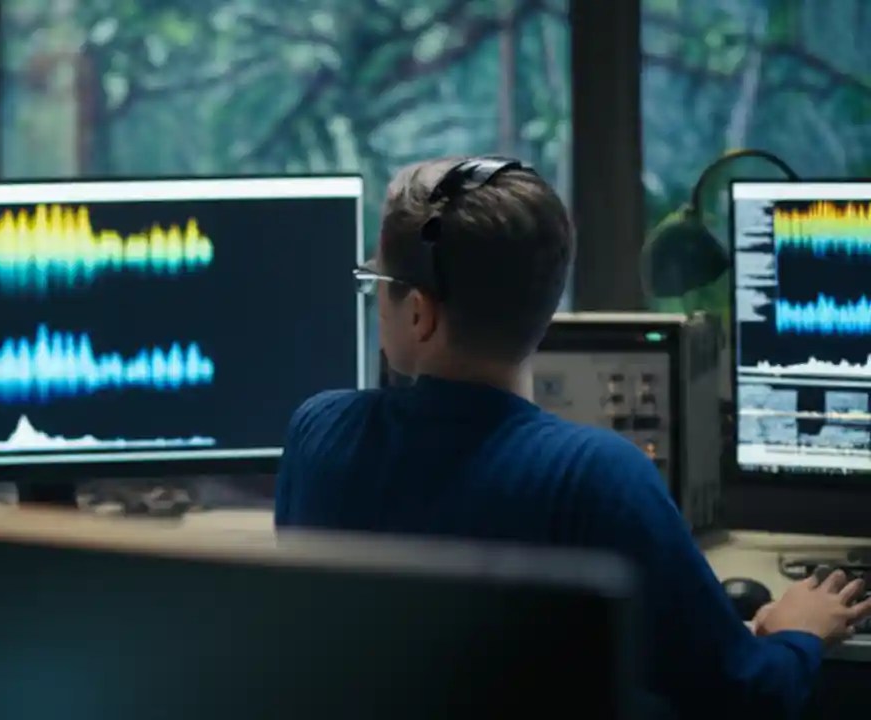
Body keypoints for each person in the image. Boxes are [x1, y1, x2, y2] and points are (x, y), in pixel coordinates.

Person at [274, 156, 871, 718]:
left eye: (376, 280)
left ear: (420, 313)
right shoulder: (597, 475)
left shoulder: (319, 434)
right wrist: (799, 630)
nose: (373, 296)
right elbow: (745, 697)